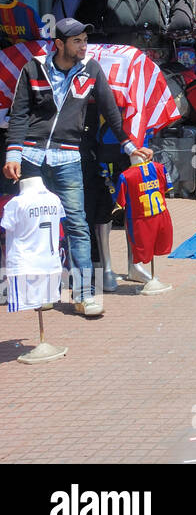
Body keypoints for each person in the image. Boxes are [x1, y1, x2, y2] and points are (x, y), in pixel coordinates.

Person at [3, 18, 150, 316]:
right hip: (32, 157)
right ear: (59, 44)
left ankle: (84, 295)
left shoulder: (91, 69)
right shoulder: (33, 68)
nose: (84, 46)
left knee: (77, 225)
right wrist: (12, 155)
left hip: (69, 157)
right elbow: (18, 115)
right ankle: (41, 293)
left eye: (85, 40)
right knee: (37, 227)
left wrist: (130, 145)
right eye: (78, 41)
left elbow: (111, 112)